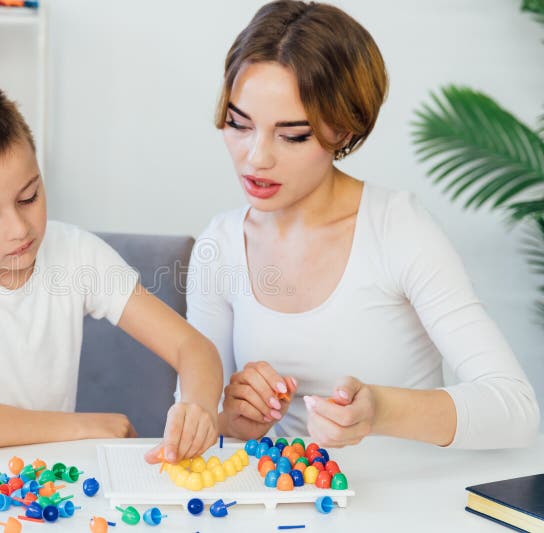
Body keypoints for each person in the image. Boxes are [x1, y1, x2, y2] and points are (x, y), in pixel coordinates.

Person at [188, 0, 539, 448]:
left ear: (345, 130)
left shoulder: (397, 228)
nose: (256, 157)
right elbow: (193, 420)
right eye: (239, 124)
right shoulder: (220, 245)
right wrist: (228, 419)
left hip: (410, 507)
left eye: (293, 135)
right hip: (292, 510)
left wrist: (380, 410)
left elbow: (515, 409)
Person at [0, 76, 221, 462]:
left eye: (29, 196)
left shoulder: (75, 253)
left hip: (48, 481)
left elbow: (193, 347)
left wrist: (197, 407)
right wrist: (89, 427)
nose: (19, 229)